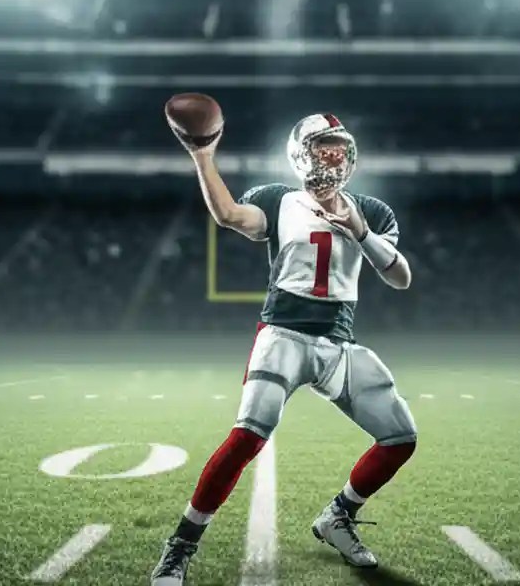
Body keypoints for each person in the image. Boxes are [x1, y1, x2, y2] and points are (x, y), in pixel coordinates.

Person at [151, 112, 418, 584]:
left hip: (338, 342)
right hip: (283, 335)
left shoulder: (372, 211)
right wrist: (203, 155)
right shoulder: (278, 200)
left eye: (339, 146)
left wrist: (358, 230)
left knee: (400, 436)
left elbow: (400, 277)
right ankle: (181, 544)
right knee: (247, 437)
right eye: (323, 147)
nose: (333, 156)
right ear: (300, 154)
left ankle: (337, 517)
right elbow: (230, 215)